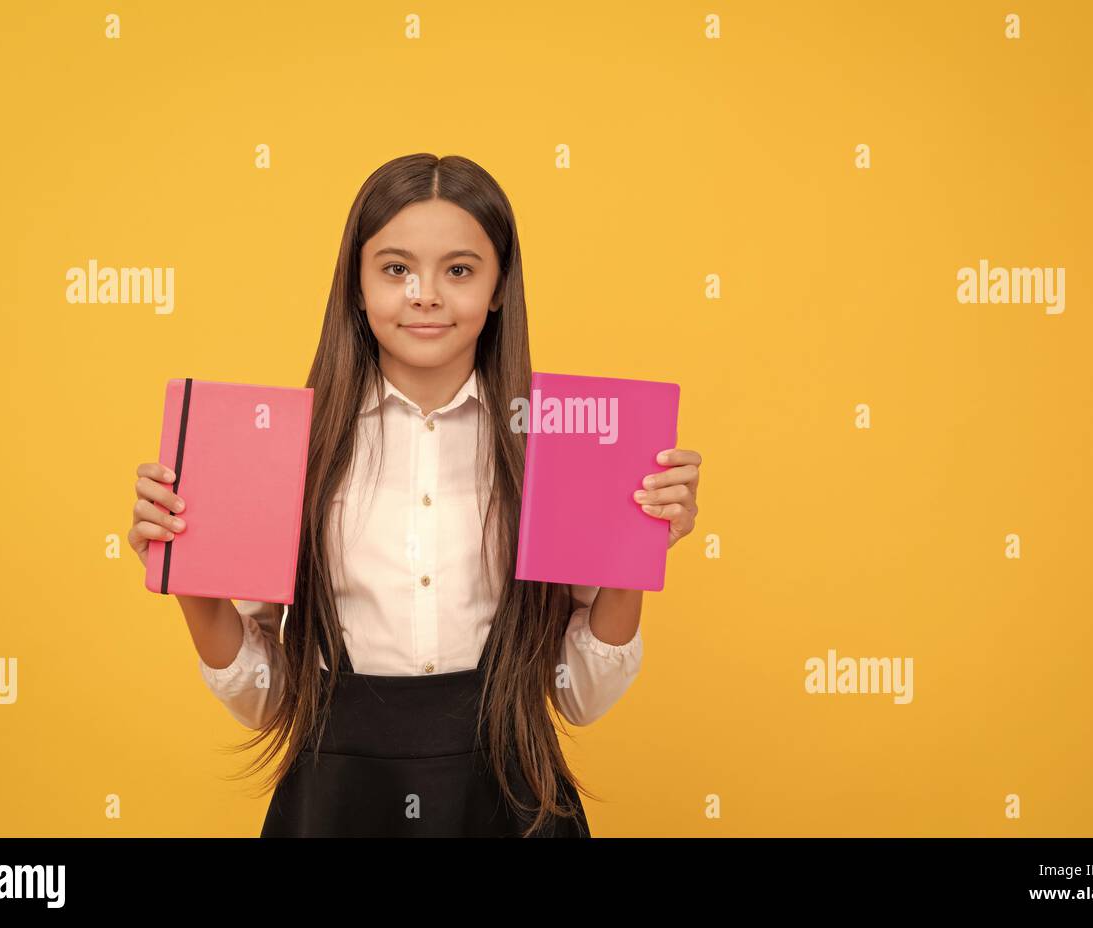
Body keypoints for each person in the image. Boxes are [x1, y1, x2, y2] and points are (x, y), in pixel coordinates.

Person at [128, 153, 703, 836]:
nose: (424, 294)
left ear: (497, 288)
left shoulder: (561, 443)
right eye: (396, 268)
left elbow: (580, 697)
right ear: (357, 285)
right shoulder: (283, 444)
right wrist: (186, 570)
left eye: (458, 270)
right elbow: (266, 701)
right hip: (339, 805)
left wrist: (633, 552)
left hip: (509, 806)